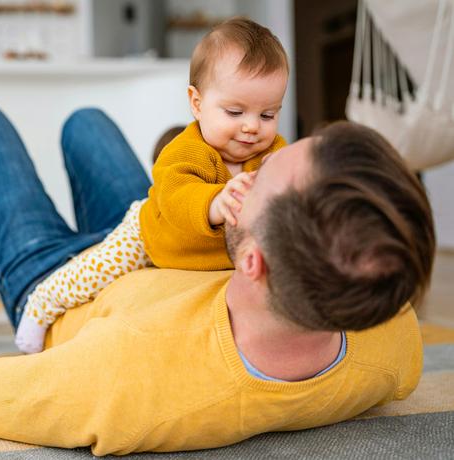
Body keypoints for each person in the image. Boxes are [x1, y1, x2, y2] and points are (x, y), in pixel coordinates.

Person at [0, 106, 435, 455]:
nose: (246, 166)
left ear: (252, 262)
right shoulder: (392, 334)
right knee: (87, 123)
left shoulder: (125, 375)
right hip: (159, 240)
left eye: (259, 177)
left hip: (58, 278)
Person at [15, 17, 289, 354]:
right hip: (152, 233)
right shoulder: (186, 151)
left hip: (206, 256)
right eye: (235, 112)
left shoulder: (273, 151)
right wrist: (215, 202)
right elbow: (176, 197)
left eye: (267, 115)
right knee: (94, 270)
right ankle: (41, 304)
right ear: (197, 103)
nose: (252, 127)